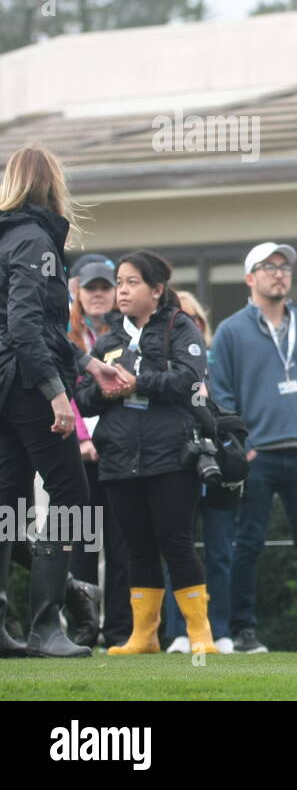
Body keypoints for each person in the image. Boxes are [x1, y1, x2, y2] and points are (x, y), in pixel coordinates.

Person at [0, 144, 126, 658]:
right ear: (53, 186)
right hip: (29, 385)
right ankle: (45, 625)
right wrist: (57, 395)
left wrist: (89, 363)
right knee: (71, 495)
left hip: (5, 384)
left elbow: (35, 330)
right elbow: (29, 328)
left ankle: (5, 628)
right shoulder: (37, 242)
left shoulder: (7, 237)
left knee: (7, 502)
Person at [74, 251, 217, 655]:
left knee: (177, 541)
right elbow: (82, 398)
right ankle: (144, 635)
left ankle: (199, 633)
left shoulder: (179, 326)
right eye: (119, 281)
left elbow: (189, 380)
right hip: (119, 459)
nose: (121, 290)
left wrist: (139, 382)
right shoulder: (108, 339)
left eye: (131, 282)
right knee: (136, 547)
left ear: (157, 290)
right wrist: (106, 388)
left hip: (171, 456)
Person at [210, 241, 297, 654]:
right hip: (256, 456)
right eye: (268, 266)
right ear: (250, 278)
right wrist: (239, 448)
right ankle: (243, 631)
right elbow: (221, 397)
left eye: (284, 267)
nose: (279, 273)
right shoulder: (230, 330)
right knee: (247, 545)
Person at [162, 291, 237, 654]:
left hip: (218, 469)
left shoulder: (219, 365)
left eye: (193, 321)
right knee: (178, 550)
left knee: (221, 554)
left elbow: (233, 415)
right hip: (177, 468)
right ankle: (180, 632)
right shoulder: (164, 369)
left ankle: (220, 629)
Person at [66, 257, 131, 648]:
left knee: (122, 546)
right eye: (91, 288)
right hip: (75, 456)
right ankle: (82, 629)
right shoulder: (66, 337)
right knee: (81, 547)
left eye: (105, 288)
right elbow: (64, 392)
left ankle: (120, 631)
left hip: (117, 453)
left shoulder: (124, 336)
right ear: (78, 292)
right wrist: (81, 439)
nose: (98, 295)